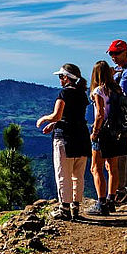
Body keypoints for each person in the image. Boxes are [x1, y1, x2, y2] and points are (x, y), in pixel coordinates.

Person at [36, 64, 89, 220]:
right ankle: (76, 208)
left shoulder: (64, 93)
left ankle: (64, 209)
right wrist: (54, 124)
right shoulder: (82, 94)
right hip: (82, 136)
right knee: (78, 175)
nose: (59, 79)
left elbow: (57, 115)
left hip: (65, 138)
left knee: (63, 173)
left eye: (61, 76)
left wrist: (45, 119)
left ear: (66, 78)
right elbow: (73, 117)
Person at [89, 60, 127, 215]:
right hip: (117, 132)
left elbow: (100, 114)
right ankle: (111, 201)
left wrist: (95, 132)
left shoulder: (98, 91)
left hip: (103, 133)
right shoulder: (117, 89)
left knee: (96, 168)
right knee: (112, 168)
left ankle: (101, 204)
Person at [107, 39, 127, 203]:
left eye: (116, 53)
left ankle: (120, 191)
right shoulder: (122, 71)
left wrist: (109, 81)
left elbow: (122, 94)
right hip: (122, 118)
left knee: (119, 154)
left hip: (122, 120)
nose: (113, 57)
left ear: (126, 52)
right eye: (111, 53)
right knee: (124, 152)